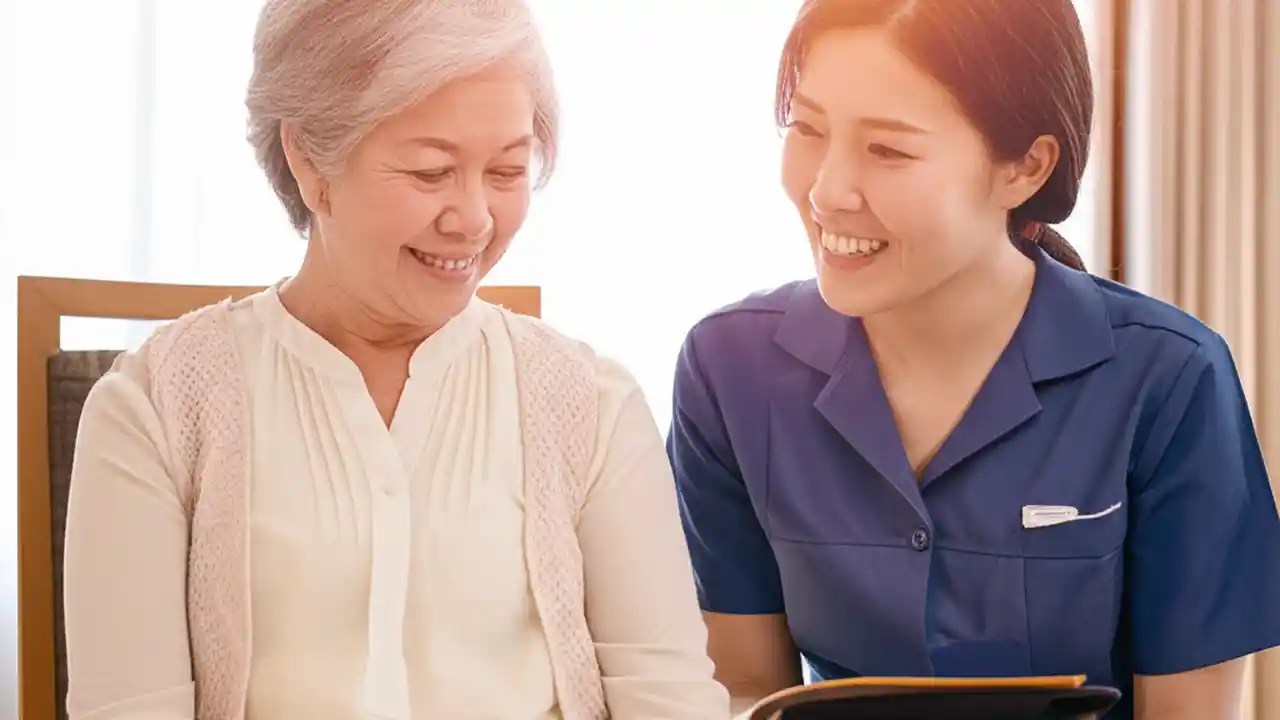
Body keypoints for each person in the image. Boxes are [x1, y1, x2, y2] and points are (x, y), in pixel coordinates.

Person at [62, 2, 730, 718]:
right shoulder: (156, 408)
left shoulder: (590, 407)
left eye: (506, 172)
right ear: (310, 161)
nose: (473, 219)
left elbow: (670, 701)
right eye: (430, 172)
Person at [666, 1, 1280, 719]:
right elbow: (746, 690)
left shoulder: (1171, 381)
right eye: (807, 129)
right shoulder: (728, 369)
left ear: (1025, 167)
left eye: (888, 150)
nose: (827, 191)